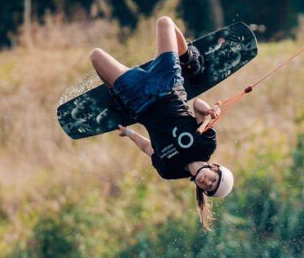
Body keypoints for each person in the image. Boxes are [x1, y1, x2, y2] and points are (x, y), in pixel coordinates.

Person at [89, 16, 234, 230]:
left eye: (208, 188)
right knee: (164, 22)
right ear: (215, 169)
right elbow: (197, 105)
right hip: (168, 84)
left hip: (137, 99)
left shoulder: (170, 171)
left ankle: (116, 93)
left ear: (201, 191)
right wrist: (209, 110)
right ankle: (191, 62)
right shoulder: (206, 145)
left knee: (96, 56)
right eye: (214, 179)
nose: (207, 182)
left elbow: (149, 148)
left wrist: (129, 133)